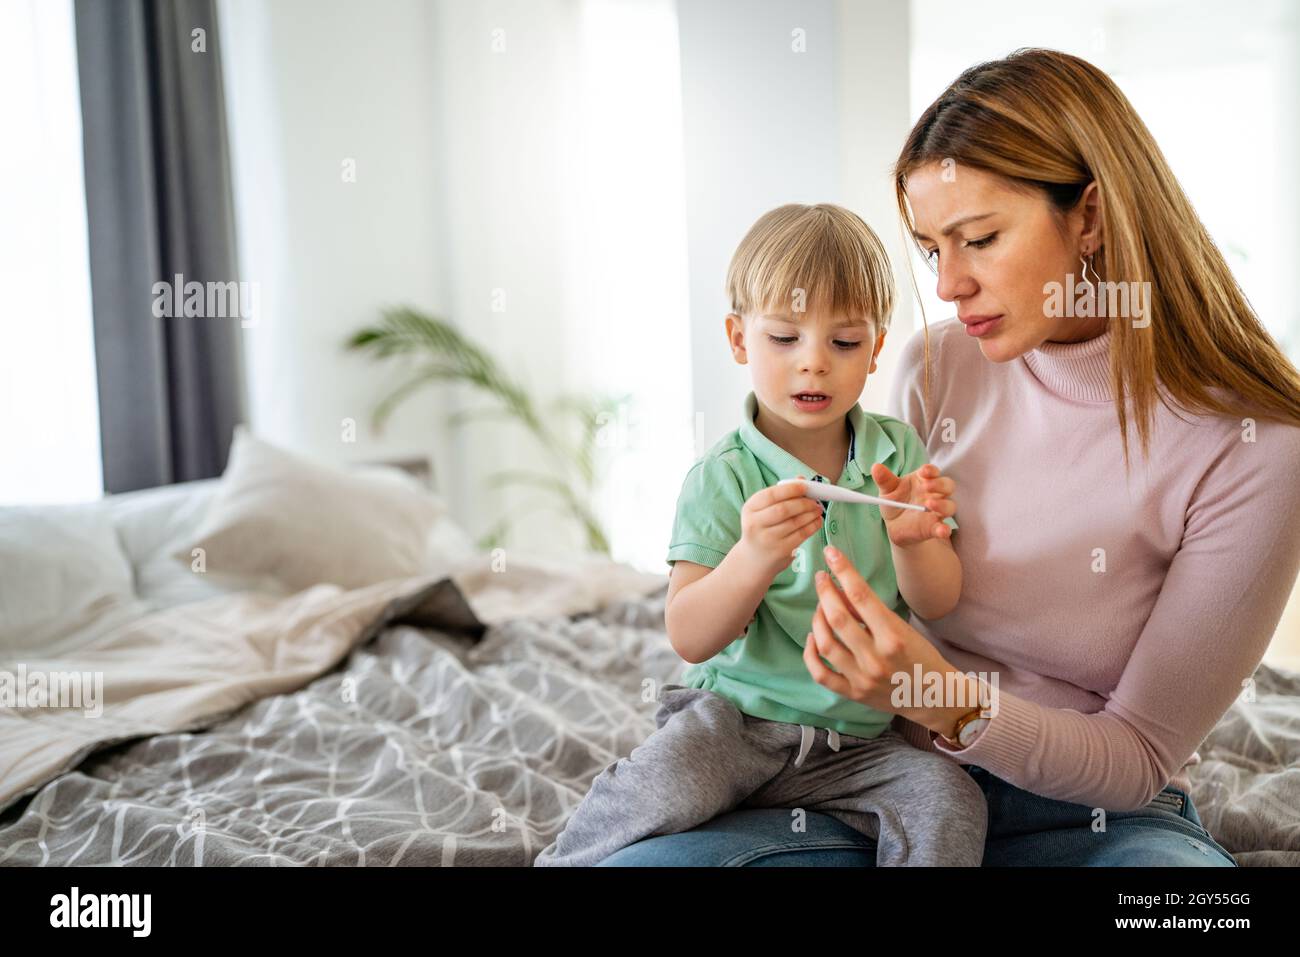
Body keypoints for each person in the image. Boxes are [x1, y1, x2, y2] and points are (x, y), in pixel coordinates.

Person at [598, 47, 1300, 867]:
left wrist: (939, 695)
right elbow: (887, 569)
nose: (949, 285)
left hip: (1090, 815)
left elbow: (1136, 756)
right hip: (874, 789)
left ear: (1091, 217)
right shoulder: (938, 365)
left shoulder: (1256, 450)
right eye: (933, 249)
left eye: (979, 239)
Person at [534, 202, 989, 866]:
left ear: (875, 351)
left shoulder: (897, 451)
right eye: (784, 338)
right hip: (737, 725)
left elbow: (939, 601)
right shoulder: (722, 475)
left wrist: (913, 538)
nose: (814, 364)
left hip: (858, 742)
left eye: (844, 342)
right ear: (740, 339)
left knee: (951, 797)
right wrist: (752, 557)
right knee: (664, 781)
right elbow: (690, 633)